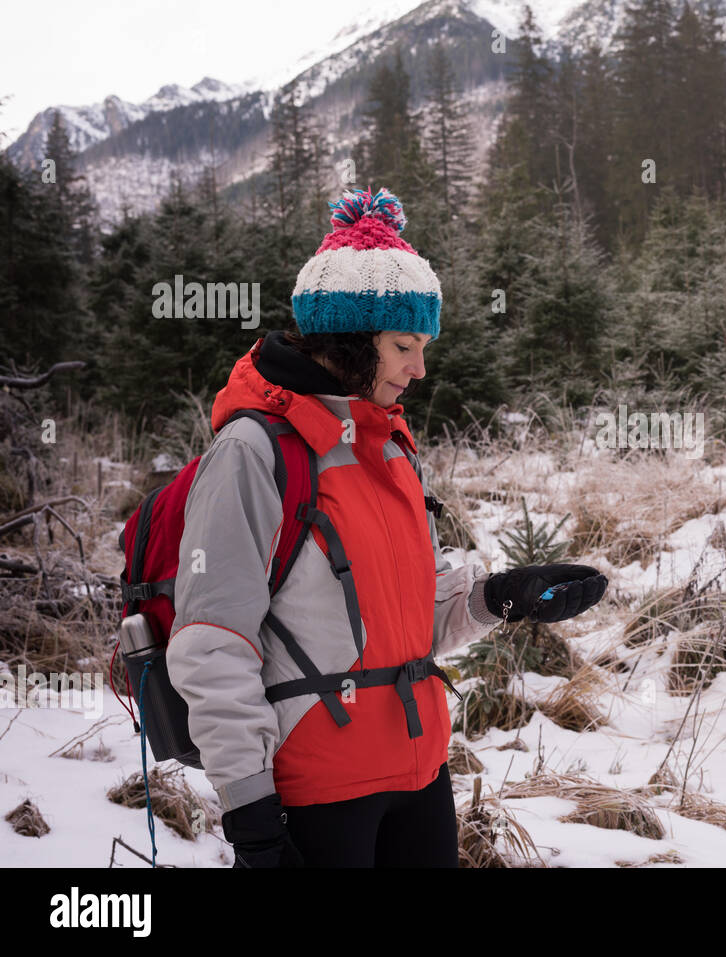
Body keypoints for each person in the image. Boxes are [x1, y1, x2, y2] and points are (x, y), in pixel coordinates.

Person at [166, 187, 607, 867]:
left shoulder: (393, 448)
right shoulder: (255, 452)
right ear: (348, 339)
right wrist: (251, 815)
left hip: (421, 778)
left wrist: (503, 595)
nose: (420, 368)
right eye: (405, 344)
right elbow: (211, 645)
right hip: (319, 794)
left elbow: (411, 619)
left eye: (424, 345)